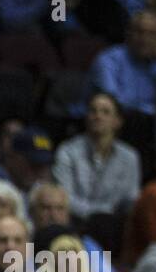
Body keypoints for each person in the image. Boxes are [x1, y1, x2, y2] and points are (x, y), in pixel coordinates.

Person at [52, 92, 141, 224]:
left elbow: (130, 199)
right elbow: (64, 197)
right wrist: (100, 214)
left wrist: (104, 216)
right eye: (93, 111)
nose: (98, 116)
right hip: (74, 222)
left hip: (115, 225)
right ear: (86, 117)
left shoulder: (130, 157)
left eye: (105, 112)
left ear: (117, 121)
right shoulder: (67, 151)